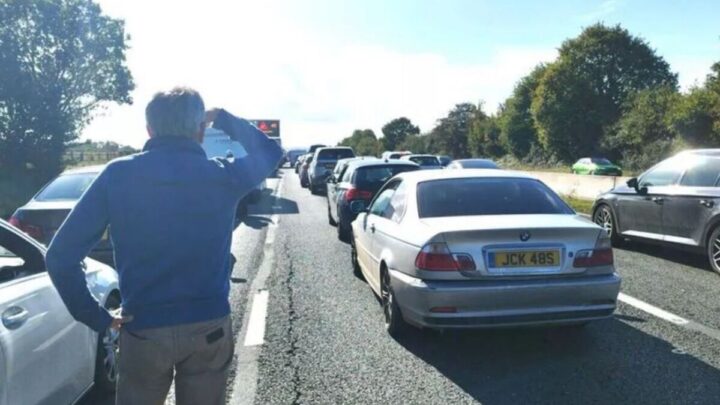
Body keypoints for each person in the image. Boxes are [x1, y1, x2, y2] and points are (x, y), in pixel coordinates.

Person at [46, 87, 283, 405]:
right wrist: (222, 118)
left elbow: (60, 256)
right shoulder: (223, 175)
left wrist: (97, 317)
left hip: (143, 328)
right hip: (208, 324)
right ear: (201, 131)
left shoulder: (118, 175)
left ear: (149, 130)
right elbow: (270, 151)